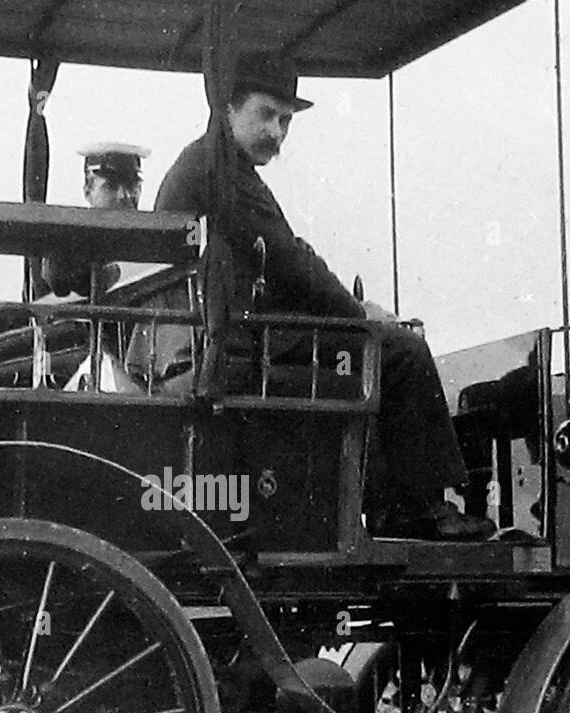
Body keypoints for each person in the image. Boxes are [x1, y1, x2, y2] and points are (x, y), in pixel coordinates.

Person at [152, 52, 493, 541]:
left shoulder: (210, 164)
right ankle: (423, 509)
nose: (277, 133)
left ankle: (391, 506)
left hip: (220, 339)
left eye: (286, 121)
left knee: (365, 351)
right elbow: (293, 263)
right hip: (235, 346)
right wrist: (362, 317)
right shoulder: (220, 171)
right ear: (228, 107)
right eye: (266, 115)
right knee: (398, 352)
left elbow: (281, 259)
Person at [41, 142, 149, 298]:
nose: (123, 196)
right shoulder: (71, 242)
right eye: (110, 186)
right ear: (88, 191)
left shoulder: (153, 242)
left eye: (131, 185)